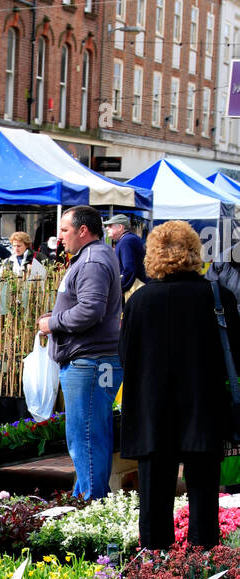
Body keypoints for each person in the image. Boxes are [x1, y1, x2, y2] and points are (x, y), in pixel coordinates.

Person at [120, 221, 240, 550]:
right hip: (204, 410)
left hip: (152, 413)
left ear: (153, 255)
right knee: (204, 501)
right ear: (193, 252)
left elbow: (125, 357)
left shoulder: (139, 302)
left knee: (154, 501)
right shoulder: (218, 295)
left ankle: (156, 572)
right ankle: (203, 570)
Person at [37, 205, 123, 501]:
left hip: (89, 361)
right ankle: (86, 495)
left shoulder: (91, 261)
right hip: (96, 359)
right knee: (93, 432)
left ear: (82, 231)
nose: (59, 236)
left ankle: (91, 501)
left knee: (85, 434)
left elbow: (90, 310)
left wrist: (53, 322)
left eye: (64, 230)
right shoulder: (97, 255)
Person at [106, 213, 147, 300]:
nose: (107, 228)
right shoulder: (128, 239)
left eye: (110, 226)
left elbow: (129, 269)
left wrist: (121, 287)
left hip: (134, 288)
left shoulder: (126, 241)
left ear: (120, 227)